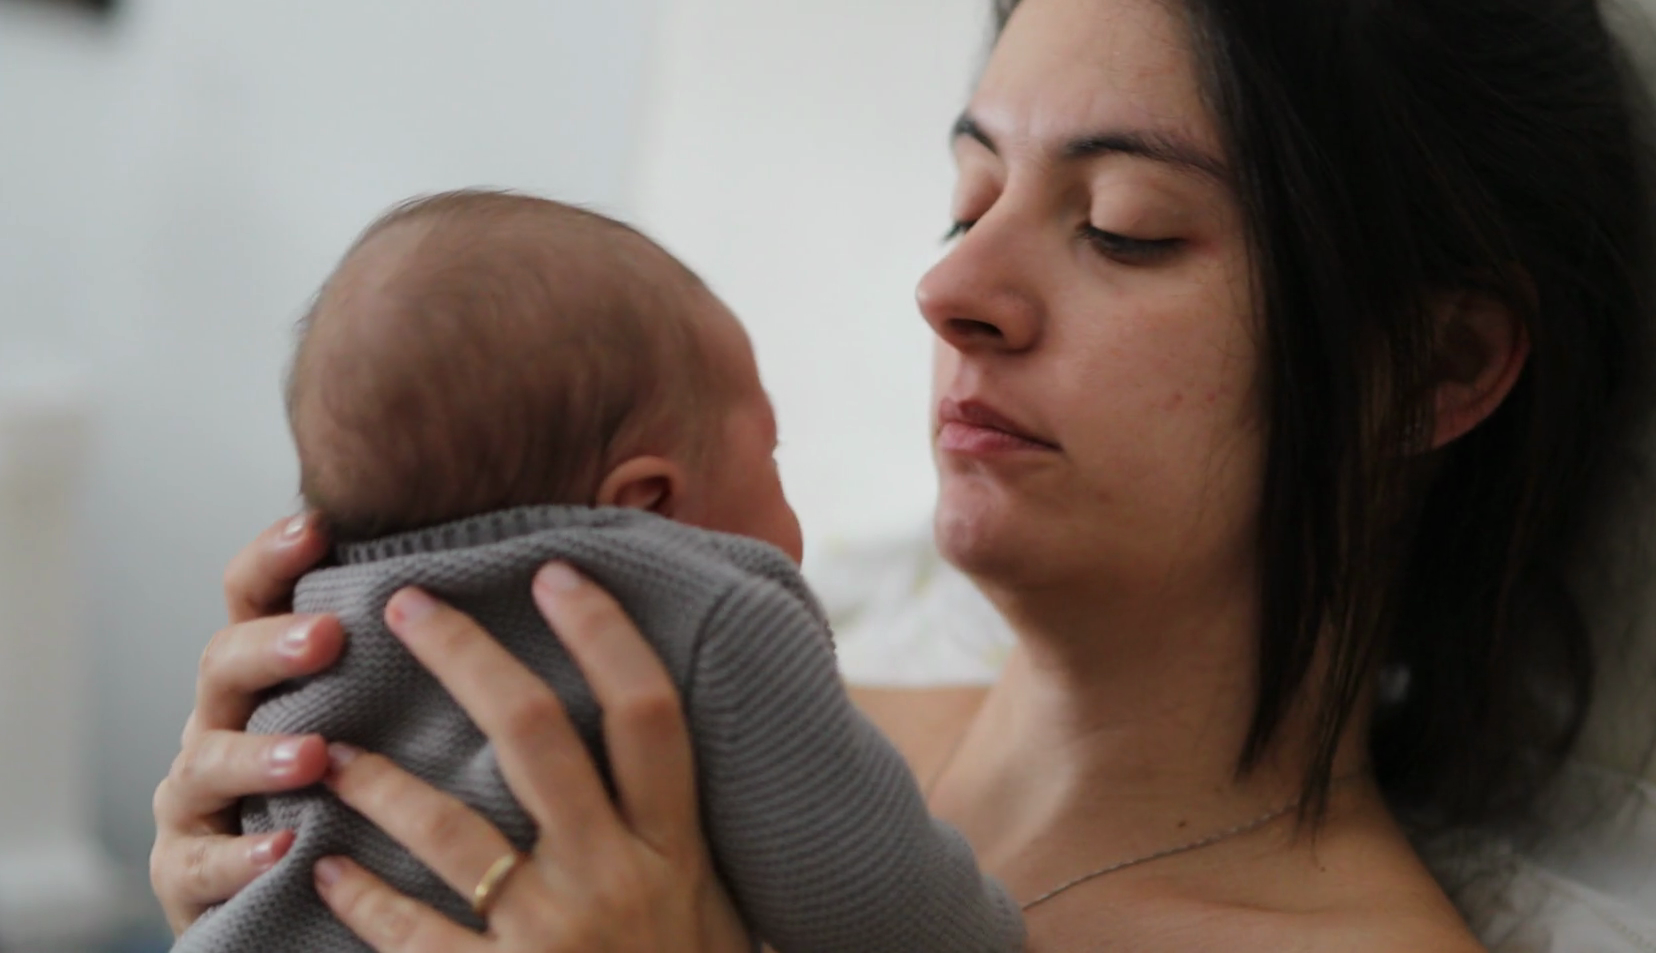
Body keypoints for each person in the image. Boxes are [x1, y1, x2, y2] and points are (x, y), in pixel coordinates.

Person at [150, 0, 1656, 950]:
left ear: (1438, 365)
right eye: (969, 198)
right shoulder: (659, 733)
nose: (949, 290)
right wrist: (266, 871)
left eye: (1124, 228)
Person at [170, 190, 1024, 953]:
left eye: (1100, 228)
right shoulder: (720, 623)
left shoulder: (313, 626)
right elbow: (884, 901)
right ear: (649, 506)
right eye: (772, 453)